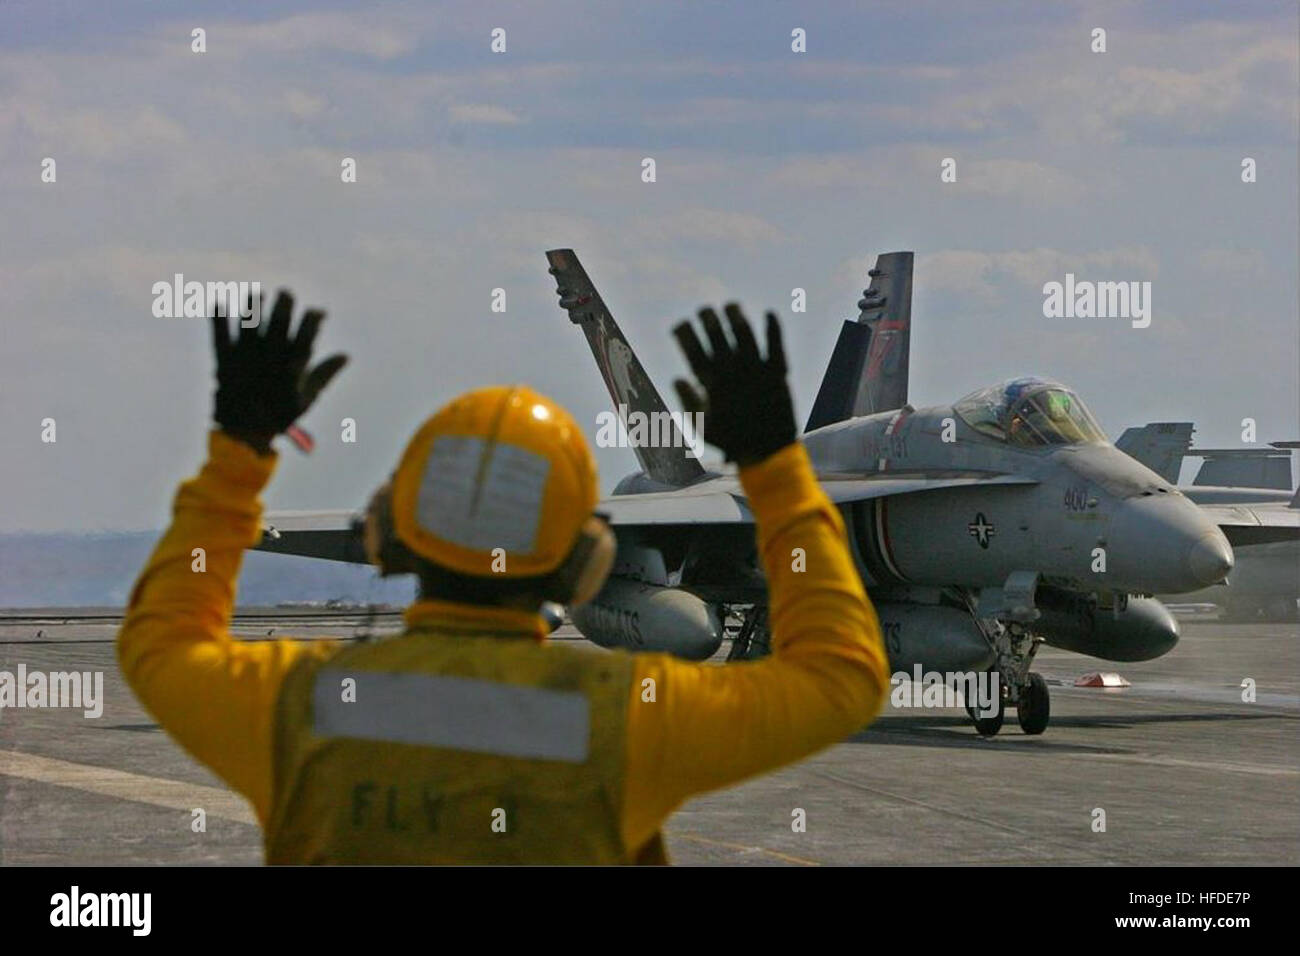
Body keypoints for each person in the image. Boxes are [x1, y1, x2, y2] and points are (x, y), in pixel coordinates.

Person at [118, 290, 888, 864]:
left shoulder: (302, 699)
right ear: (586, 560)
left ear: (388, 538)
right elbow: (842, 677)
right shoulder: (632, 718)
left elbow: (161, 645)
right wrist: (779, 472)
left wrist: (239, 452)